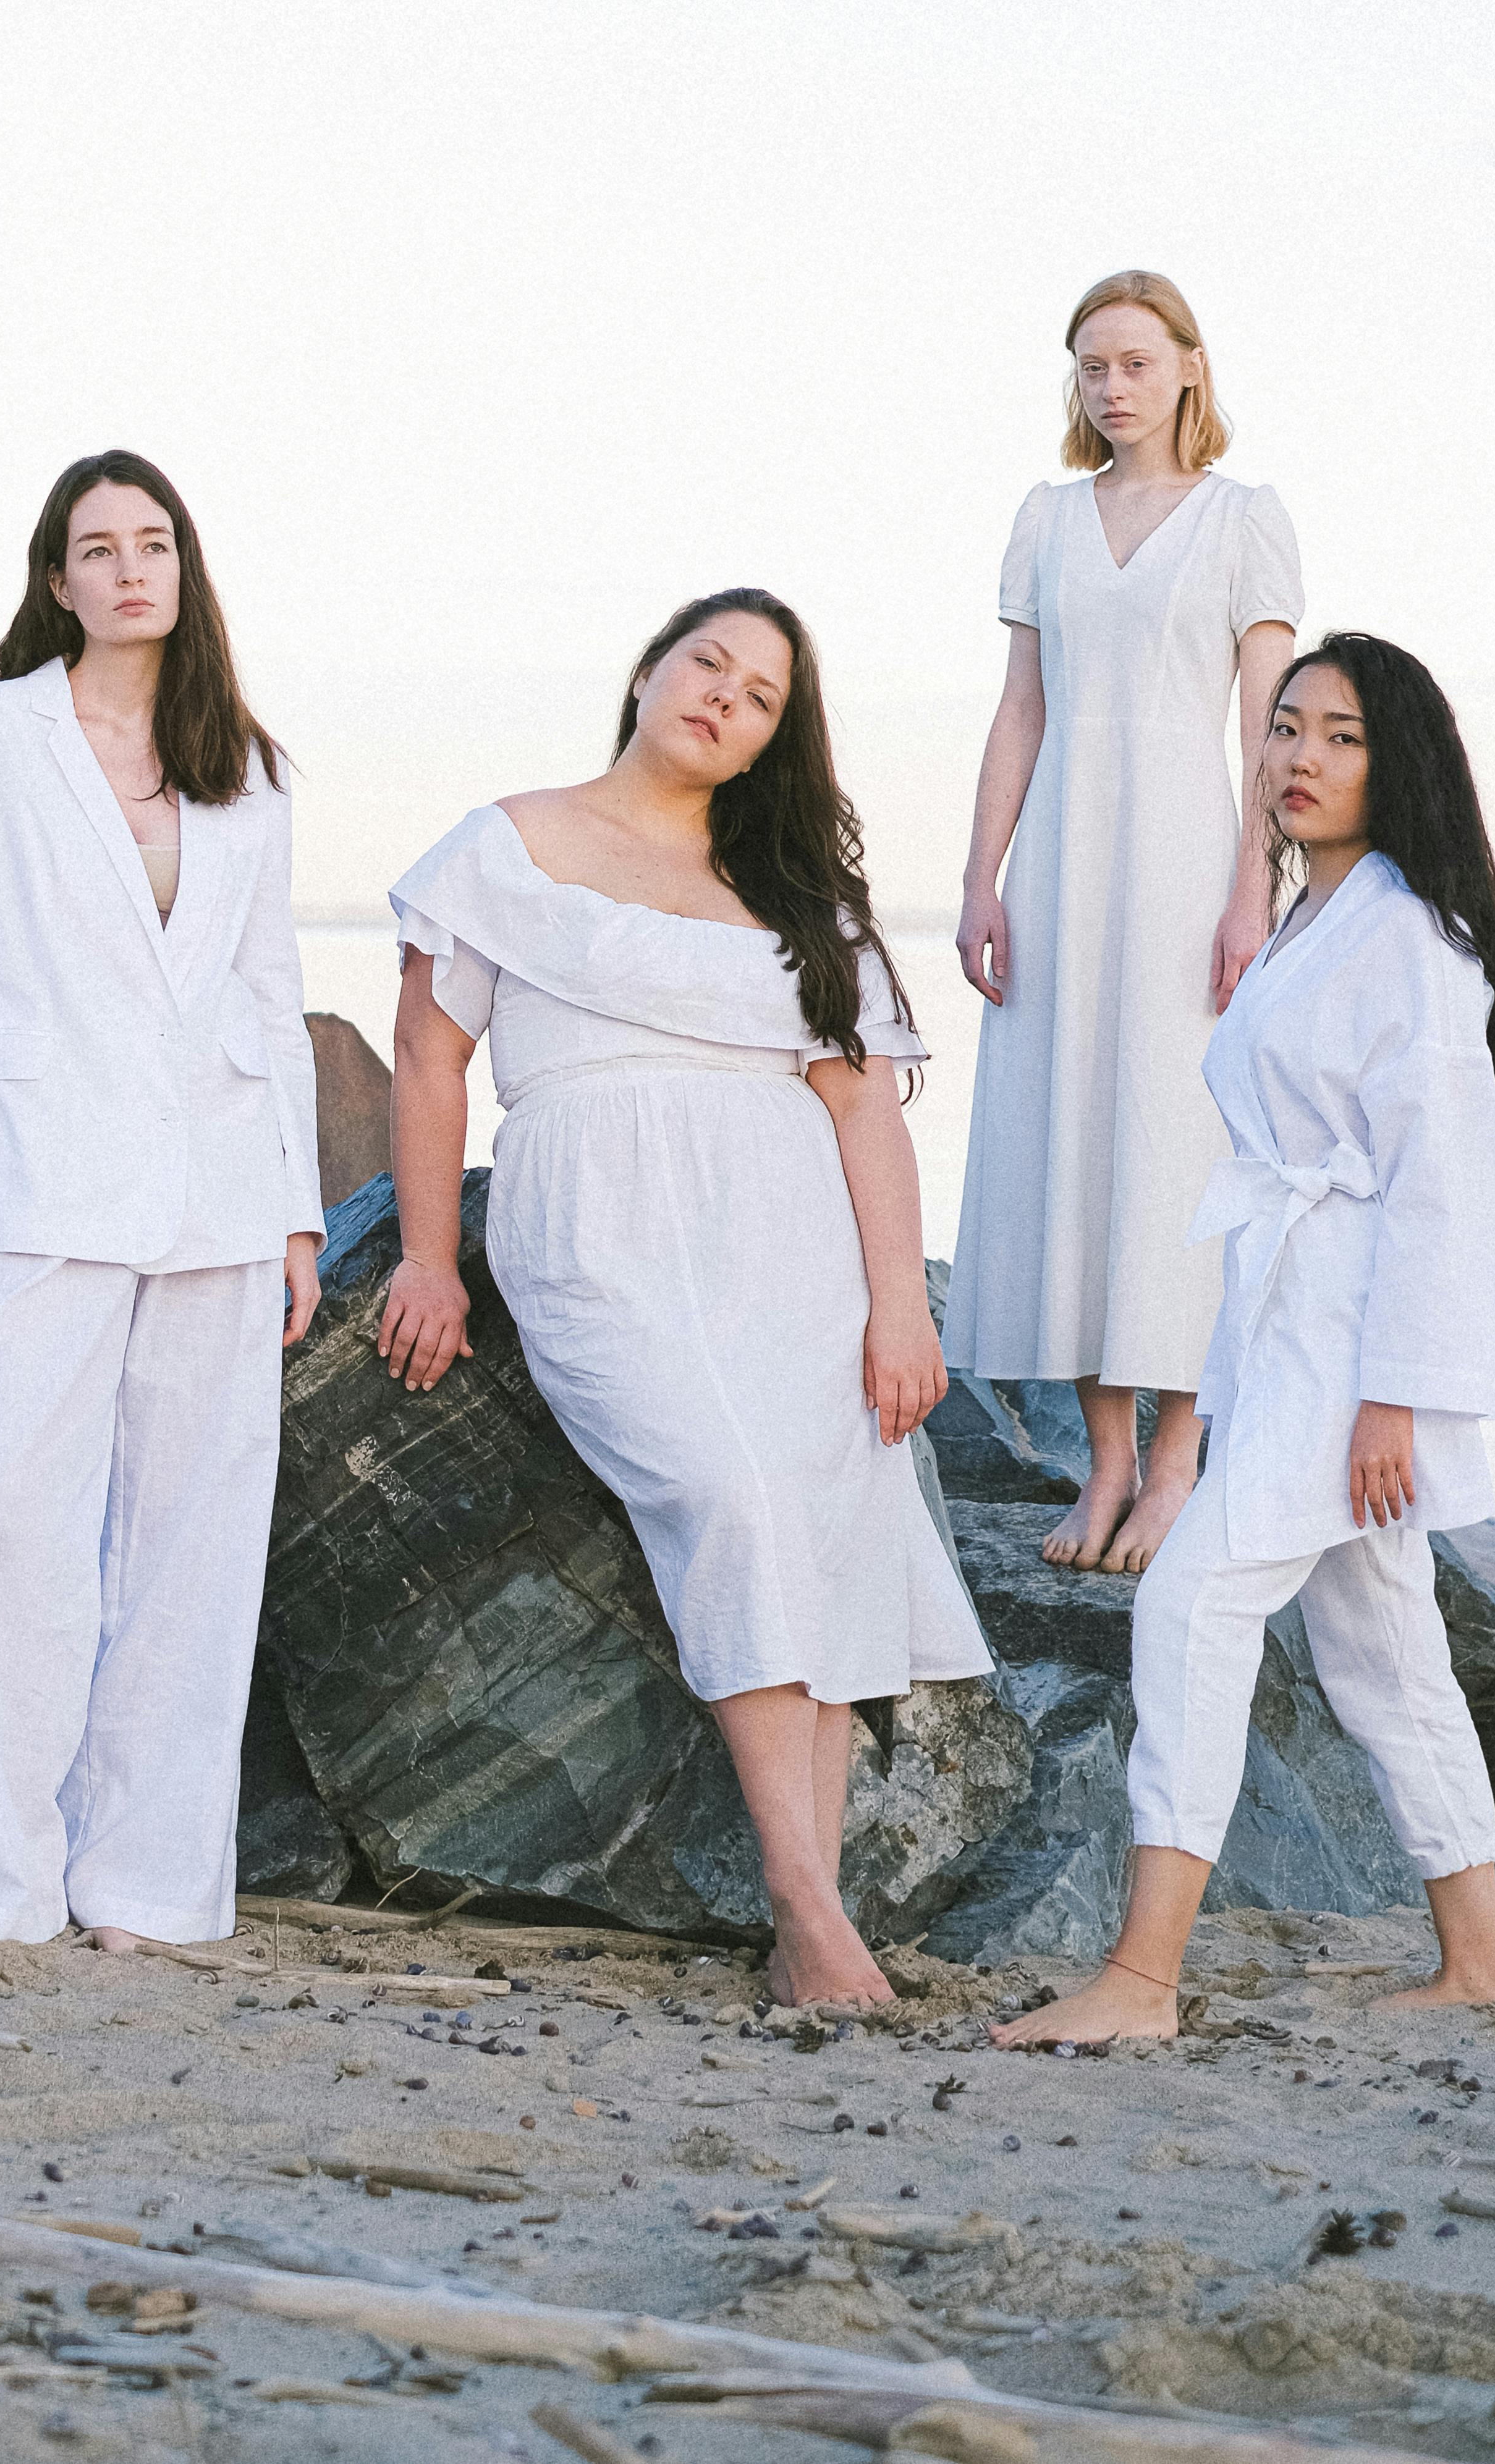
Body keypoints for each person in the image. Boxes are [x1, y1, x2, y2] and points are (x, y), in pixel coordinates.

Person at [383, 591, 990, 2012]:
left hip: (794, 1241)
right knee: (726, 1492)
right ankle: (804, 1899)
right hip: (598, 1217)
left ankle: (809, 1928)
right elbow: (425, 1060)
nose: (725, 695)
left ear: (777, 738)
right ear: (650, 668)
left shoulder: (793, 896)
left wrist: (899, 1308)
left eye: (763, 693)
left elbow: (866, 1115)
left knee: (826, 1521)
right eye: (708, 661)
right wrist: (424, 1254)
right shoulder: (511, 843)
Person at [993, 635, 1495, 2046]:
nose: (1296, 757)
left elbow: (1446, 1185)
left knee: (1193, 1601)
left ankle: (1143, 1979)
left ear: (1396, 761)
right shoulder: (1316, 919)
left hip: (1356, 1343)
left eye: (1338, 736)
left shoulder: (1413, 940)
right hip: (1295, 1320)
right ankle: (1476, 1961)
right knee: (1386, 1647)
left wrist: (1399, 1400)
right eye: (1284, 728)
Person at [0, 450, 323, 1951]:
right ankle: (7, 1876)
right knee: (12, 1531)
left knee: (193, 1550)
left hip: (216, 1193)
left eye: (156, 543)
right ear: (59, 579)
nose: (132, 567)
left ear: (182, 569)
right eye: (101, 547)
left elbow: (272, 996)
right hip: (37, 1183)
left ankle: (145, 1883)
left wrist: (297, 1213)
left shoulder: (246, 763)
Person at [944, 271, 1302, 1576]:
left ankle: (1176, 1466)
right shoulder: (1045, 519)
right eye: (1092, 365)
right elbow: (1020, 711)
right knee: (1074, 1153)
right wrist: (984, 877)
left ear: (1190, 369)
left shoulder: (1243, 520)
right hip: (1061, 871)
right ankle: (1102, 1468)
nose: (1113, 386)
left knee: (1176, 1152)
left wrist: (1255, 887)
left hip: (1186, 863)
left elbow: (1274, 724)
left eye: (1137, 363)